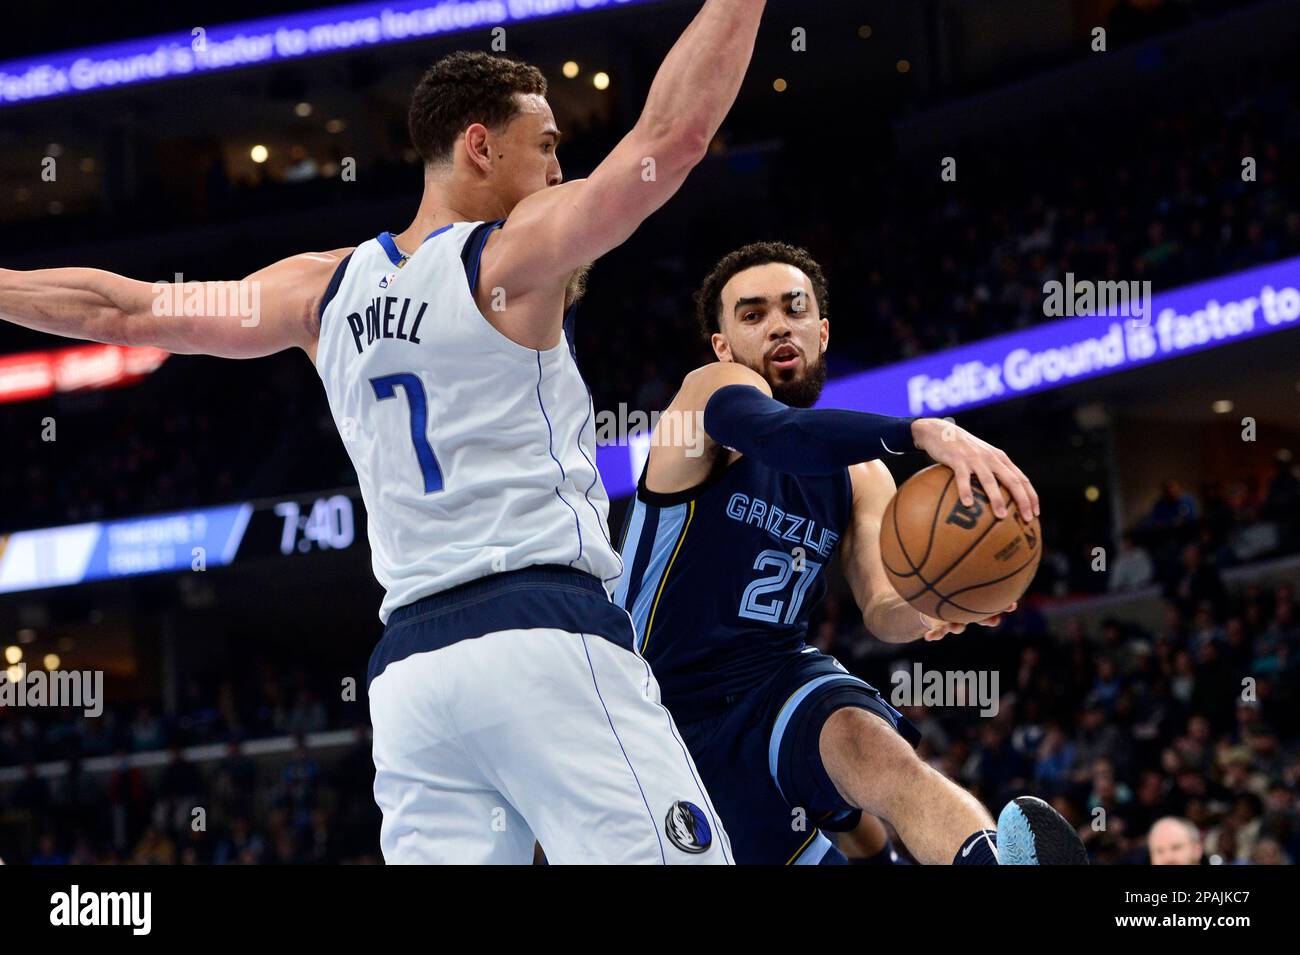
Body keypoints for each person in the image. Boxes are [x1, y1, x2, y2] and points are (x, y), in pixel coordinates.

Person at [0, 0, 771, 864]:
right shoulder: (509, 258)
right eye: (548, 143)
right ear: (481, 146)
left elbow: (127, 309)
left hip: (411, 681)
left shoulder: (318, 291)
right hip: (542, 634)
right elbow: (671, 140)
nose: (561, 167)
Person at [616, 241, 1086, 864]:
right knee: (853, 842)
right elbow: (775, 434)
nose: (779, 323)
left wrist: (933, 611)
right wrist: (923, 429)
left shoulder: (862, 474)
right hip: (653, 706)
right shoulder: (705, 398)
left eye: (794, 308)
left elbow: (882, 605)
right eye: (752, 315)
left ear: (822, 331)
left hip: (775, 679)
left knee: (879, 752)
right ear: (723, 346)